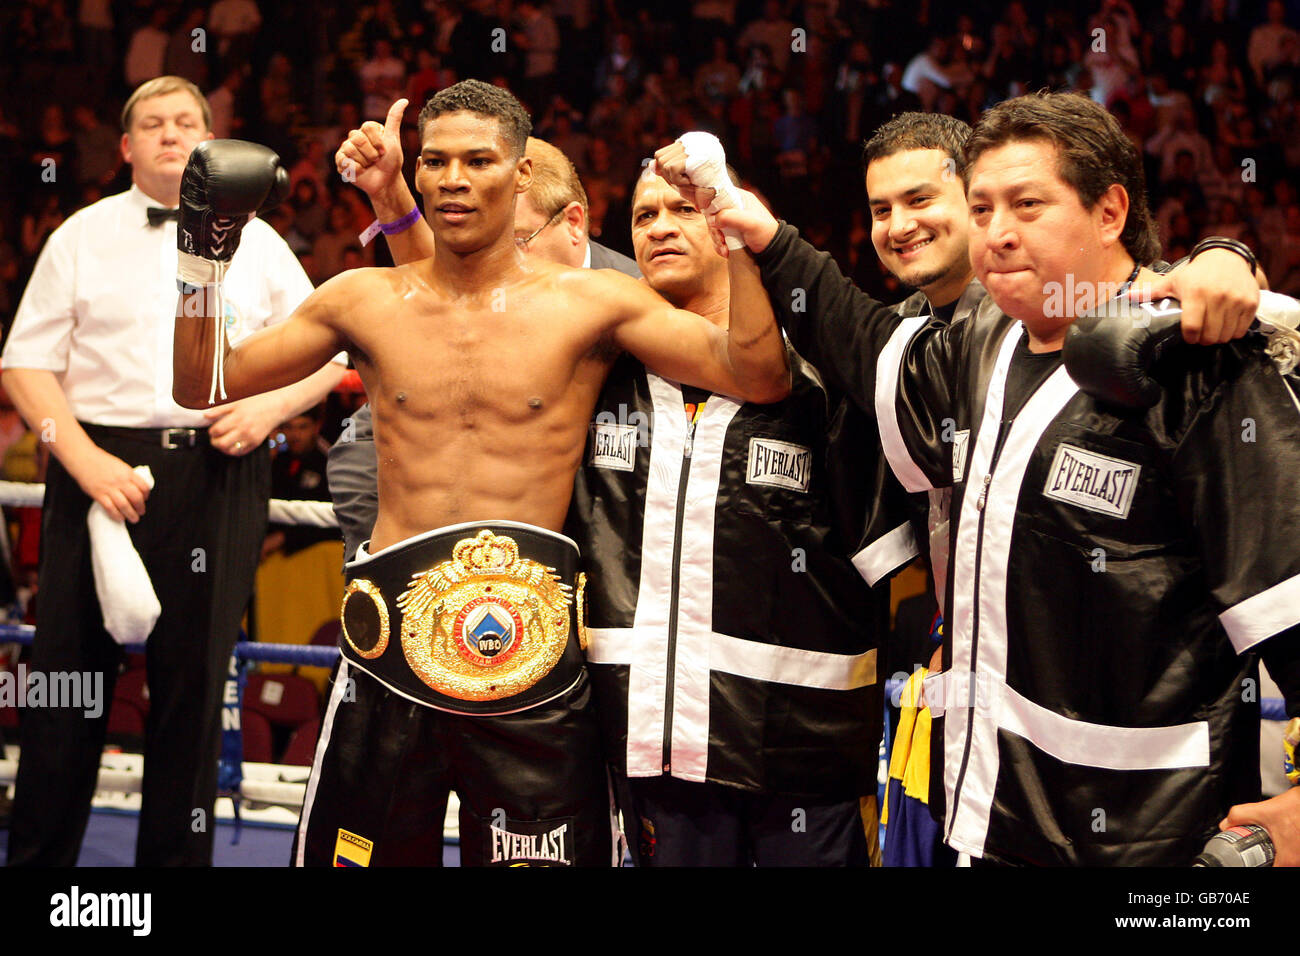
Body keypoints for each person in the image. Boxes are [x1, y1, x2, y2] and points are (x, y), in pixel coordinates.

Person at [171, 79, 790, 867]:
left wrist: (736, 228)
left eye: (477, 160)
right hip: (387, 652)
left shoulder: (595, 303)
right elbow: (203, 385)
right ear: (416, 170)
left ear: (522, 174)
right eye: (434, 161)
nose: (453, 179)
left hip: (534, 665)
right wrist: (200, 253)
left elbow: (758, 373)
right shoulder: (362, 299)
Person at [683, 90, 1300, 865]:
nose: (999, 234)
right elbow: (865, 342)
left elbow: (1291, 597)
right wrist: (767, 237)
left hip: (1152, 834)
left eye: (1028, 205)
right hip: (988, 815)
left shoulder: (1201, 366)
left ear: (1110, 212)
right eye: (982, 208)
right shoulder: (983, 339)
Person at [339, 104, 910, 866]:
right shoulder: (599, 369)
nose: (663, 225)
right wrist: (393, 205)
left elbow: (900, 581)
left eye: (686, 207)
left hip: (803, 757)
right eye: (645, 214)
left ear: (728, 223)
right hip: (642, 743)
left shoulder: (819, 383)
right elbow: (456, 319)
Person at [1, 76, 345, 867]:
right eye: (151, 124)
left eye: (185, 121)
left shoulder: (256, 239)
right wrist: (83, 459)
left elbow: (331, 349)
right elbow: (24, 365)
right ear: (125, 147)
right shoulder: (79, 235)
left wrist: (267, 411)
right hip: (94, 470)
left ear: (210, 140)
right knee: (64, 686)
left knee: (192, 695)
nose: (169, 134)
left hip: (217, 470)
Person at [329, 105, 640, 564]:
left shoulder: (631, 301)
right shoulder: (459, 302)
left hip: (584, 560)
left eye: (511, 241)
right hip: (427, 561)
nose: (487, 259)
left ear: (574, 224)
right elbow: (439, 297)